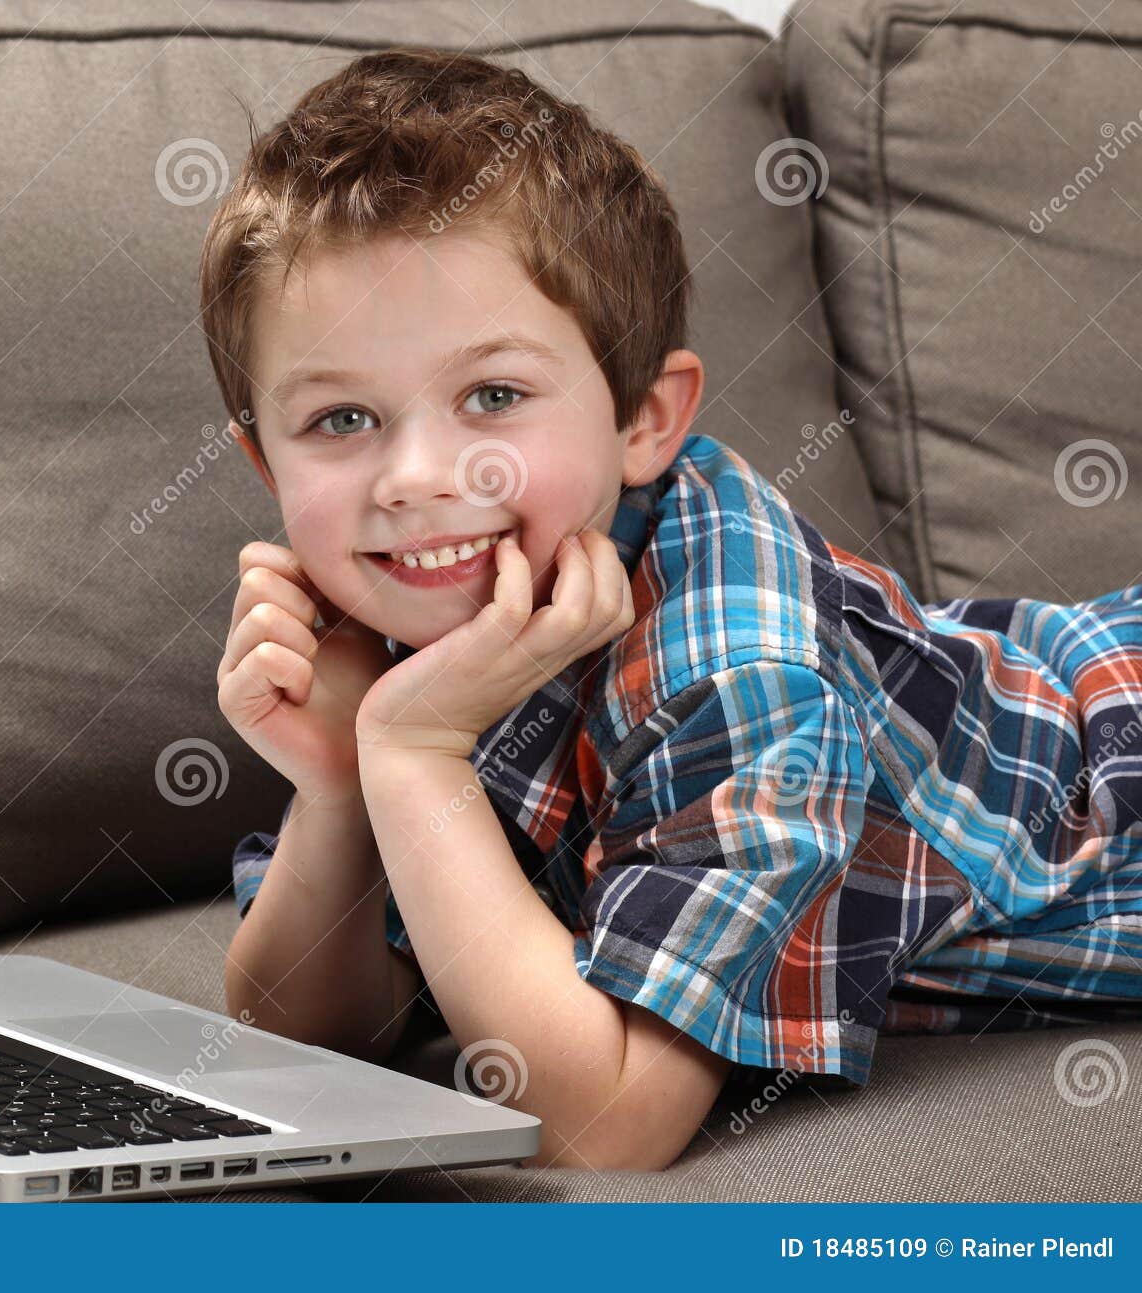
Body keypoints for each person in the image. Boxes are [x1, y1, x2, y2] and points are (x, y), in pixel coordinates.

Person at [197, 47, 1142, 1171]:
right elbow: (294, 1040)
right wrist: (345, 785)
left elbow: (607, 1125)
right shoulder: (437, 616)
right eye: (340, 420)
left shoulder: (735, 662)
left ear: (644, 419)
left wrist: (410, 752)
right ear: (265, 465)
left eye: (492, 396)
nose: (413, 477)